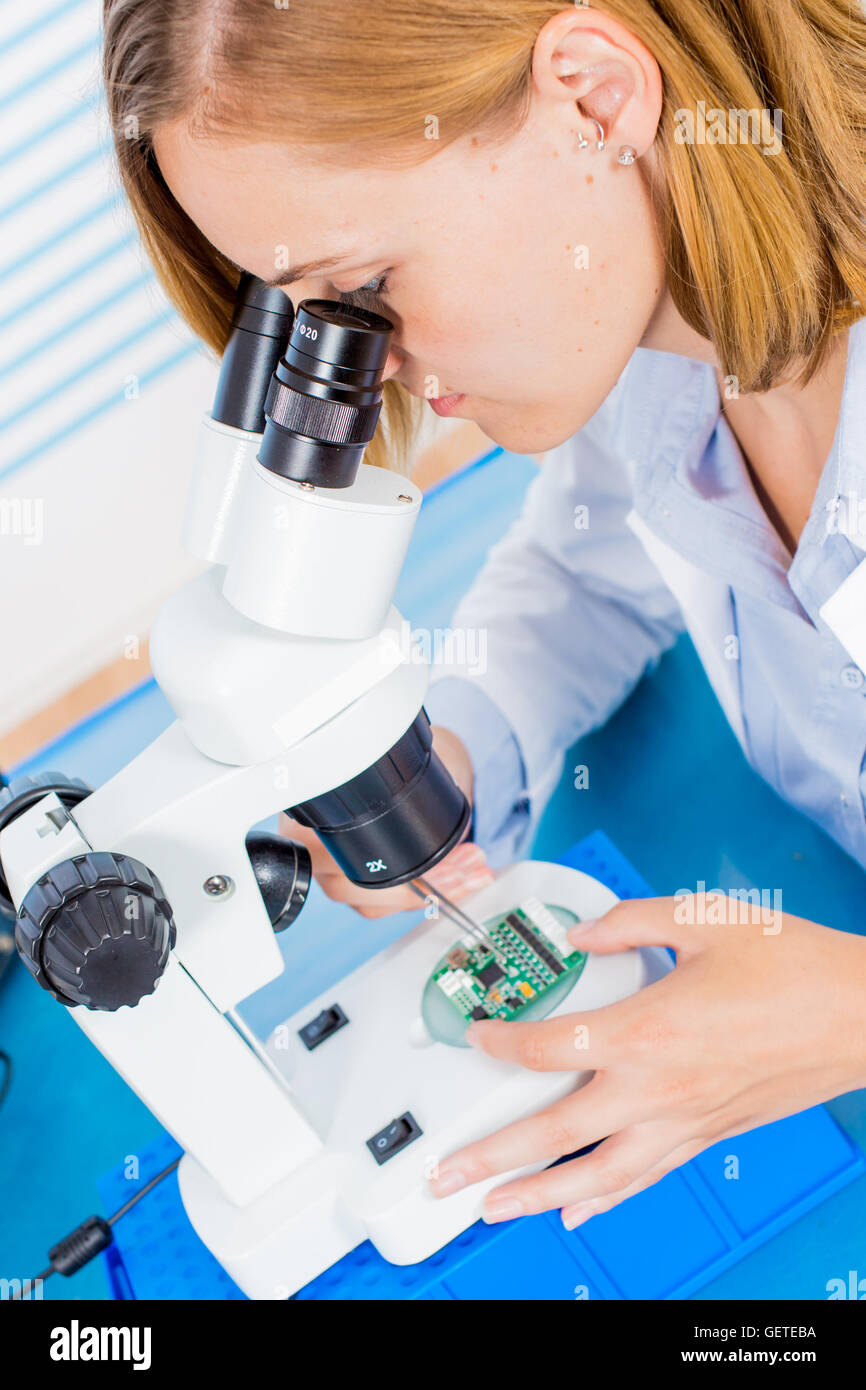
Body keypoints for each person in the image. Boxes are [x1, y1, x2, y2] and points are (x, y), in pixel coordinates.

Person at [103, 0, 866, 1232]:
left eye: (363, 288)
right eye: (306, 321)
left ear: (593, 98)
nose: (374, 365)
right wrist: (440, 765)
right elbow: (585, 568)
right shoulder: (665, 331)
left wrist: (845, 1016)